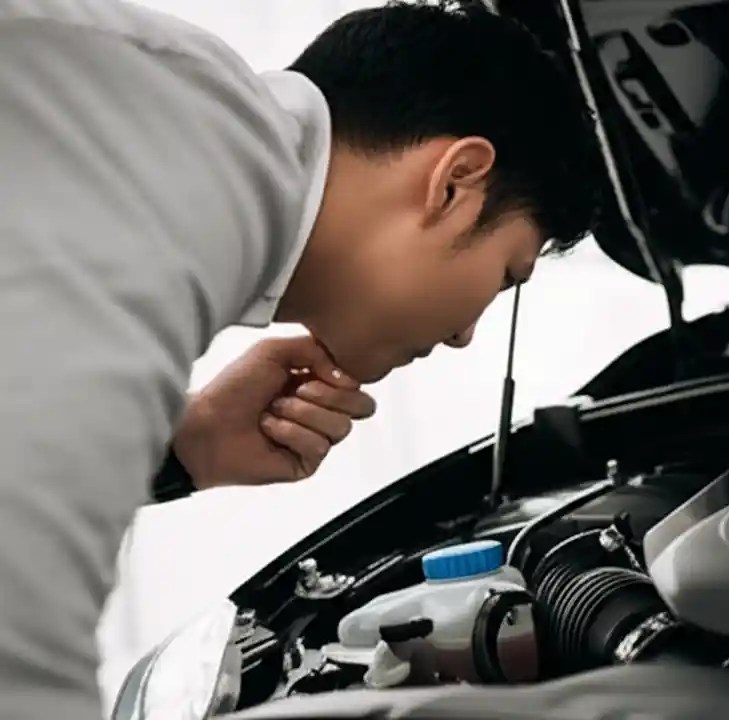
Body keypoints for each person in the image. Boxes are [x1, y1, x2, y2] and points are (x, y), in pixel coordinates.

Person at [0, 0, 603, 717]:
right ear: (455, 181)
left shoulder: (170, 127)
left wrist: (179, 450)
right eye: (506, 276)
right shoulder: (185, 174)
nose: (465, 335)